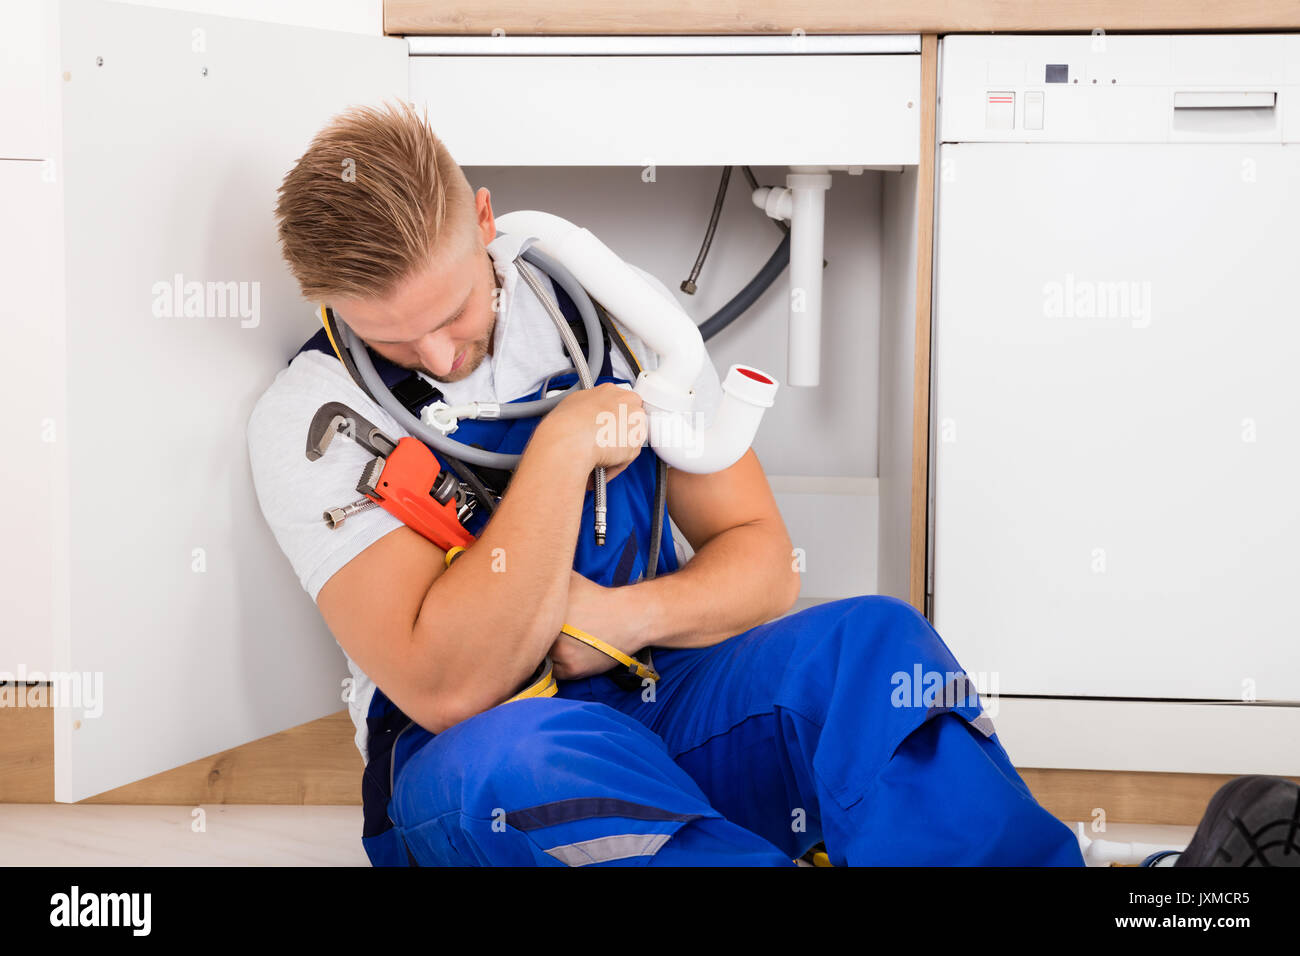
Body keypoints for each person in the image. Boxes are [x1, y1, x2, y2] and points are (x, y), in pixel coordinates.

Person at [246, 99, 1086, 866]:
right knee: (522, 771)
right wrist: (563, 447)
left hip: (660, 698)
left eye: (452, 312)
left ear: (484, 220)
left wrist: (624, 615)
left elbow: (764, 563)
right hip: (481, 758)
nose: (438, 355)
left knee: (873, 643)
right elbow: (447, 688)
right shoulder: (313, 420)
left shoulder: (609, 320)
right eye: (394, 338)